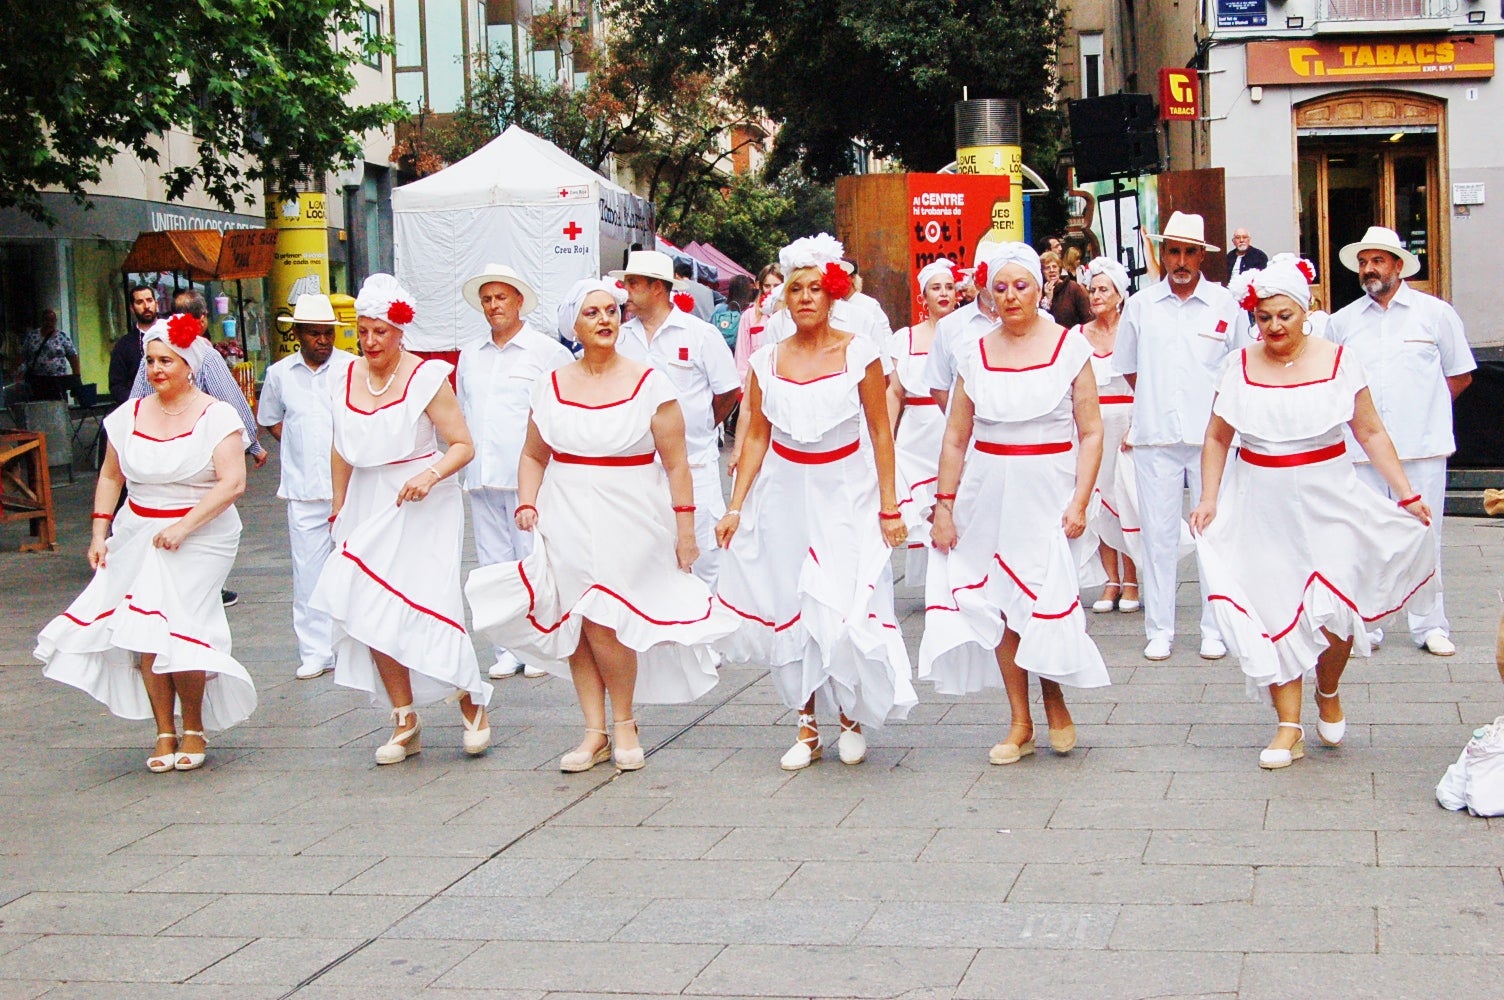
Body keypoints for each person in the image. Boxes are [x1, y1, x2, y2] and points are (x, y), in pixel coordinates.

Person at [467, 278, 735, 772]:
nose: (605, 319)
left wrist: (684, 532)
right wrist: (527, 502)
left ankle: (626, 722)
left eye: (612, 310)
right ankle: (594, 731)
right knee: (577, 623)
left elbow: (678, 464)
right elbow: (532, 453)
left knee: (608, 621)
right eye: (592, 313)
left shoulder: (650, 382)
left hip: (630, 514)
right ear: (574, 324)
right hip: (565, 513)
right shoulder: (551, 384)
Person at [1190, 257, 1437, 769]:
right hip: (1261, 499)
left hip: (1331, 496)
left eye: (1284, 315)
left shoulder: (1340, 360)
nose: (1274, 326)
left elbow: (1369, 431)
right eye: (1264, 317)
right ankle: (1288, 726)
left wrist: (1406, 493)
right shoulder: (1237, 365)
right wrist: (1209, 498)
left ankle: (1328, 687)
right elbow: (1217, 437)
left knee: (1335, 611)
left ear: (1305, 312)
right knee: (1274, 604)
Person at [714, 233, 916, 770]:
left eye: (815, 288)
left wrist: (890, 505)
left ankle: (849, 715)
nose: (804, 297)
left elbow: (880, 431)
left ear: (833, 294)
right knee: (792, 604)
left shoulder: (860, 351)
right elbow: (755, 435)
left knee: (843, 602)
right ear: (784, 298)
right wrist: (736, 506)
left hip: (845, 491)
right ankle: (806, 727)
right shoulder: (764, 359)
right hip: (784, 494)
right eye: (795, 289)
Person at [35, 316, 254, 772]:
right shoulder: (127, 416)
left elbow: (233, 483)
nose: (156, 369)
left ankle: (193, 725)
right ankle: (163, 730)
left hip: (202, 534)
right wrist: (99, 533)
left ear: (189, 365)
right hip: (139, 531)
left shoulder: (218, 415)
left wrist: (184, 527)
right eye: (151, 361)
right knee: (145, 630)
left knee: (182, 624)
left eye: (166, 361)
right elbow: (111, 476)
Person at [920, 243, 1108, 766]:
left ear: (1040, 288)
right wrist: (943, 505)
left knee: (1043, 594)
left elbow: (1091, 431)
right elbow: (956, 437)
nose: (1010, 297)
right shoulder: (973, 352)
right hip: (989, 487)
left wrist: (1080, 500)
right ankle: (1019, 720)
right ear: (986, 290)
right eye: (999, 287)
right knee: (999, 601)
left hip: (1048, 487)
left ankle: (1054, 697)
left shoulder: (1070, 348)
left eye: (1020, 285)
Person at [310, 274, 492, 764]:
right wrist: (338, 503)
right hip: (368, 497)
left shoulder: (427, 376)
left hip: (420, 498)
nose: (370, 342)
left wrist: (430, 475)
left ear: (400, 332)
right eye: (364, 331)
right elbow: (341, 447)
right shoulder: (344, 376)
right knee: (367, 605)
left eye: (381, 332)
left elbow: (463, 444)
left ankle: (470, 701)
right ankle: (403, 717)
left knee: (429, 598)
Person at [1326, 225, 1475, 656]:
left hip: (1421, 448)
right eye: (1363, 262)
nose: (1369, 270)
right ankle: (1369, 624)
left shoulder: (1435, 314)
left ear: (1397, 265)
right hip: (1362, 454)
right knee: (1368, 538)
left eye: (1377, 261)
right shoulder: (1343, 322)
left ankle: (1430, 625)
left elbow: (1460, 374)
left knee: (1425, 536)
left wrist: (1424, 410)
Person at [1115, 211, 1245, 662]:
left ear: (1203, 257)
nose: (1182, 260)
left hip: (1212, 439)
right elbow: (1130, 368)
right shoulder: (1140, 305)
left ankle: (1214, 626)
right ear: (1163, 254)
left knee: (1213, 534)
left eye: (1190, 251)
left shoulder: (1226, 305)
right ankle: (1160, 628)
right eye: (1174, 251)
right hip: (1155, 437)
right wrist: (1155, 404)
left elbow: (1240, 370)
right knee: (1158, 535)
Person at [455, 263, 573, 681]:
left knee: (533, 560)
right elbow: (463, 408)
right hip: (483, 474)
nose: (493, 306)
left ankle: (540, 645)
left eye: (501, 297)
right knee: (493, 565)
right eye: (486, 299)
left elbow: (559, 411)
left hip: (529, 477)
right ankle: (506, 647)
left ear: (519, 301)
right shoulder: (470, 354)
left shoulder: (545, 352)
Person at [130, 289, 268, 608]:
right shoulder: (201, 352)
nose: (158, 367)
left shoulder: (154, 347)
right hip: (198, 458)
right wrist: (254, 443)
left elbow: (134, 403)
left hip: (160, 454)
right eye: (155, 362)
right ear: (203, 319)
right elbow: (231, 399)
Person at [613, 250, 741, 588]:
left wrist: (701, 426)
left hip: (695, 466)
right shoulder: (621, 338)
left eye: (634, 283)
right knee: (648, 560)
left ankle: (708, 635)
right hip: (640, 469)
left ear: (658, 288)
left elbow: (728, 391)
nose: (626, 291)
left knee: (704, 561)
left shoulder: (699, 335)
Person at [256, 294, 356, 680]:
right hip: (302, 489)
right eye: (314, 334)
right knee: (308, 573)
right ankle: (315, 651)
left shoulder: (352, 369)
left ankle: (351, 646)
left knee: (351, 570)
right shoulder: (281, 374)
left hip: (349, 488)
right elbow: (272, 420)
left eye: (327, 333)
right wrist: (301, 448)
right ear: (297, 333)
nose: (323, 341)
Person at [885, 258, 958, 587]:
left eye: (949, 287)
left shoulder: (966, 335)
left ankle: (959, 577)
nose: (943, 293)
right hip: (916, 435)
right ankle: (936, 581)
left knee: (956, 502)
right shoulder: (906, 338)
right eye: (936, 288)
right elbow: (895, 392)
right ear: (923, 297)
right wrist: (885, 436)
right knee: (925, 507)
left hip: (953, 426)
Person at [1078, 257, 1141, 614]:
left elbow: (1146, 383)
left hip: (1126, 422)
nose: (1097, 295)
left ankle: (1131, 578)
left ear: (1119, 294)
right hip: (1093, 423)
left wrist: (1139, 426)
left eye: (1104, 289)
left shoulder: (1132, 332)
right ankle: (1110, 579)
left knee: (1126, 499)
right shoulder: (1078, 335)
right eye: (1092, 289)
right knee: (1097, 500)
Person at [15, 308, 79, 401]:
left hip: (58, 379)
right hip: (37, 379)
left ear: (55, 321)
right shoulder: (32, 336)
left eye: (52, 320)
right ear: (42, 320)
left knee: (58, 403)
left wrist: (76, 376)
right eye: (46, 319)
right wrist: (14, 371)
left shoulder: (62, 336)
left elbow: (73, 356)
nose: (49, 322)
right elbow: (23, 354)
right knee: (38, 403)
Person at [733, 265, 783, 381]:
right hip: (756, 382)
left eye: (777, 285)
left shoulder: (793, 315)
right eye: (767, 286)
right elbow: (741, 357)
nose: (772, 290)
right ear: (760, 286)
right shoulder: (749, 315)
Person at [110, 286, 157, 405]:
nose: (146, 306)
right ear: (132, 308)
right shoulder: (124, 345)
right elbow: (116, 385)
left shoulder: (171, 335)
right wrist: (138, 404)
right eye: (139, 302)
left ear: (156, 303)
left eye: (149, 300)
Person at [1041, 250, 1092, 328]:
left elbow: (1087, 318)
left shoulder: (1073, 287)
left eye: (1054, 266)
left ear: (1059, 269)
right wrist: (1048, 300)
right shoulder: (1038, 291)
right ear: (1042, 272)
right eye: (1047, 268)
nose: (1052, 270)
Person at [673, 258, 716, 322]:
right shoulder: (707, 289)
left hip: (690, 326)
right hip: (709, 326)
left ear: (676, 275)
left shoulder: (677, 288)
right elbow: (723, 299)